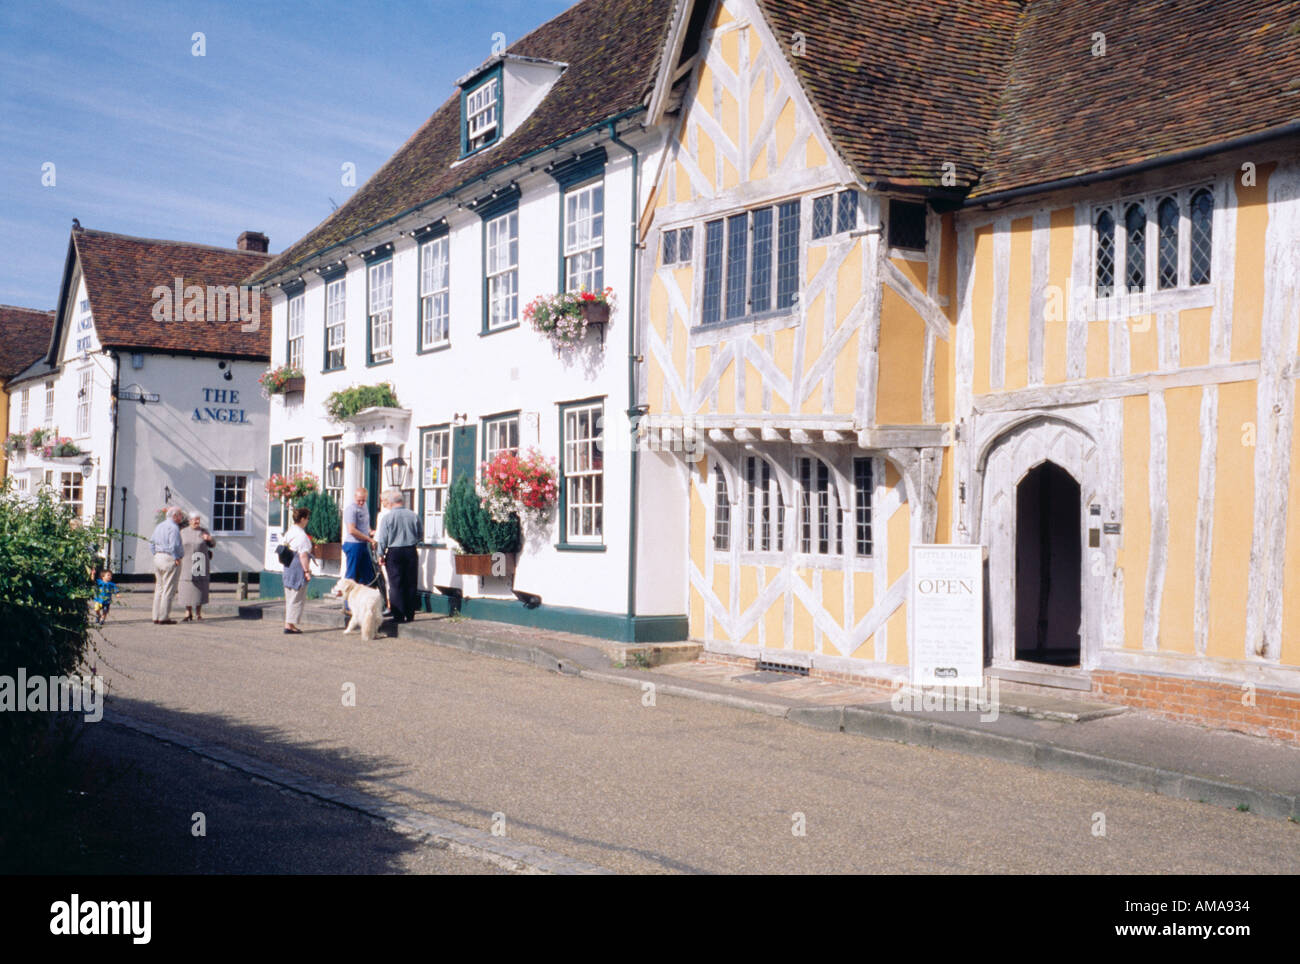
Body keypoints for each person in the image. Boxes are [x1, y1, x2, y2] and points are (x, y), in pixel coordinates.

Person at [375, 491, 422, 623]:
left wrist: (380, 554)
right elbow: (420, 534)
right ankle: (410, 614)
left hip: (394, 551)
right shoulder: (414, 515)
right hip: (411, 550)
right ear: (403, 501)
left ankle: (398, 615)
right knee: (411, 583)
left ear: (390, 502)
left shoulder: (387, 518)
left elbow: (383, 539)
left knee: (396, 584)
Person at [149, 506, 186, 624]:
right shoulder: (174, 528)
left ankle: (155, 616)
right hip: (169, 557)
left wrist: (155, 554)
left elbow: (152, 543)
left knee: (159, 588)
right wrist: (176, 557)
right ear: (174, 516)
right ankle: (164, 617)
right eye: (180, 515)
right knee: (168, 588)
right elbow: (174, 545)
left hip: (158, 557)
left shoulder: (159, 526)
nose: (182, 517)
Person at [282, 506, 314, 634]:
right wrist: (307, 571)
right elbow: (303, 555)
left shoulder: (290, 532)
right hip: (297, 567)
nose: (308, 521)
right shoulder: (301, 536)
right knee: (297, 596)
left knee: (290, 595)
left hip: (287, 566)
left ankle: (288, 623)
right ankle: (290, 625)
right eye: (307, 518)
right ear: (302, 519)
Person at [179, 512, 216, 621]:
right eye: (195, 520)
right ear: (189, 521)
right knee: (187, 586)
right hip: (186, 563)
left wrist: (209, 539)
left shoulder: (203, 531)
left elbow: (213, 545)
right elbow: (178, 546)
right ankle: (187, 612)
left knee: (200, 587)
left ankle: (198, 613)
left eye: (198, 520)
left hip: (200, 562)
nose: (197, 522)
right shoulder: (183, 532)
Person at [341, 486, 377, 597]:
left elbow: (364, 525)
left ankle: (364, 601)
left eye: (363, 500)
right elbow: (351, 530)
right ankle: (347, 605)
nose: (361, 502)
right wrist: (369, 539)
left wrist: (371, 531)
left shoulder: (364, 507)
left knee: (367, 574)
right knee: (352, 575)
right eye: (359, 500)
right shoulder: (350, 510)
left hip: (362, 544)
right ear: (354, 497)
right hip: (353, 545)